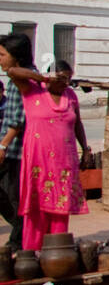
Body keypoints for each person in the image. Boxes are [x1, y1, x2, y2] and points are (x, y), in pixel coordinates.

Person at [2, 55, 88, 250]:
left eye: (68, 79)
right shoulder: (33, 91)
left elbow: (78, 124)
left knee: (60, 207)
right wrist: (44, 79)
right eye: (62, 78)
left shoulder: (70, 96)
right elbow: (12, 71)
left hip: (64, 162)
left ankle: (57, 251)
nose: (65, 83)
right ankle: (32, 252)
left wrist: (85, 148)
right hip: (38, 162)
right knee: (36, 208)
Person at [0, 33, 26, 249]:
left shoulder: (17, 79)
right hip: (10, 148)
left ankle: (19, 238)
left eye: (2, 54)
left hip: (15, 150)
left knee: (14, 197)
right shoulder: (15, 77)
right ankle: (19, 232)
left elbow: (18, 120)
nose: (0, 59)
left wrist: (3, 145)